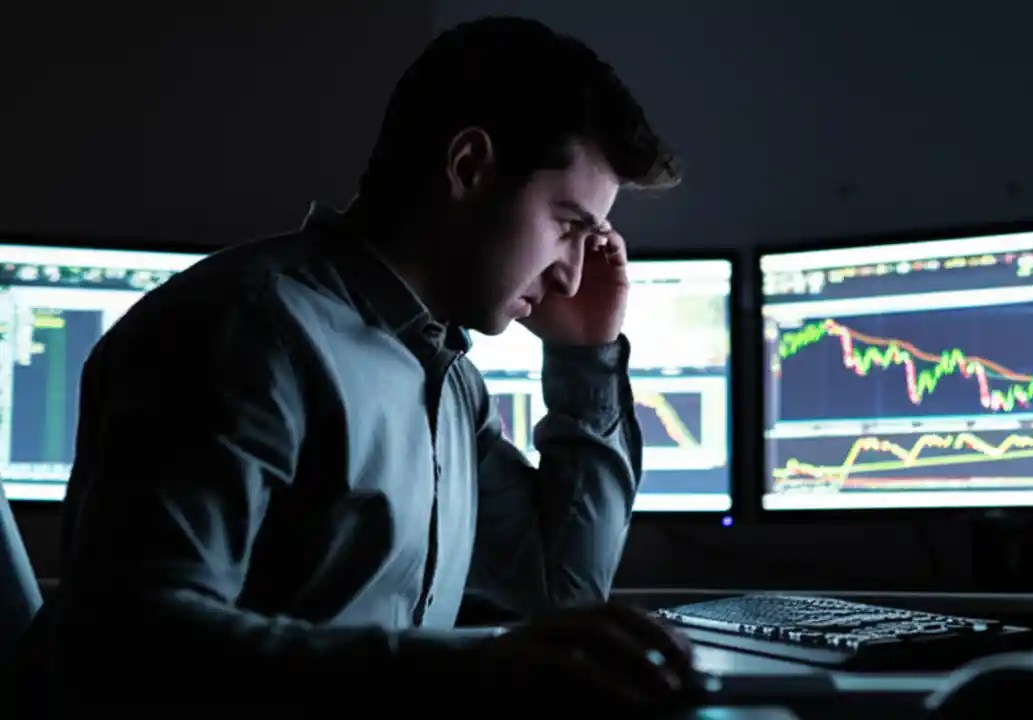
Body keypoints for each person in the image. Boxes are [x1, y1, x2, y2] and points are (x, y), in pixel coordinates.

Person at [18, 15, 699, 711]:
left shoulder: (450, 384)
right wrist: (467, 673)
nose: (570, 277)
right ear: (468, 168)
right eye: (567, 227)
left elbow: (558, 600)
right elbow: (126, 645)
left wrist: (585, 359)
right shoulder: (240, 331)